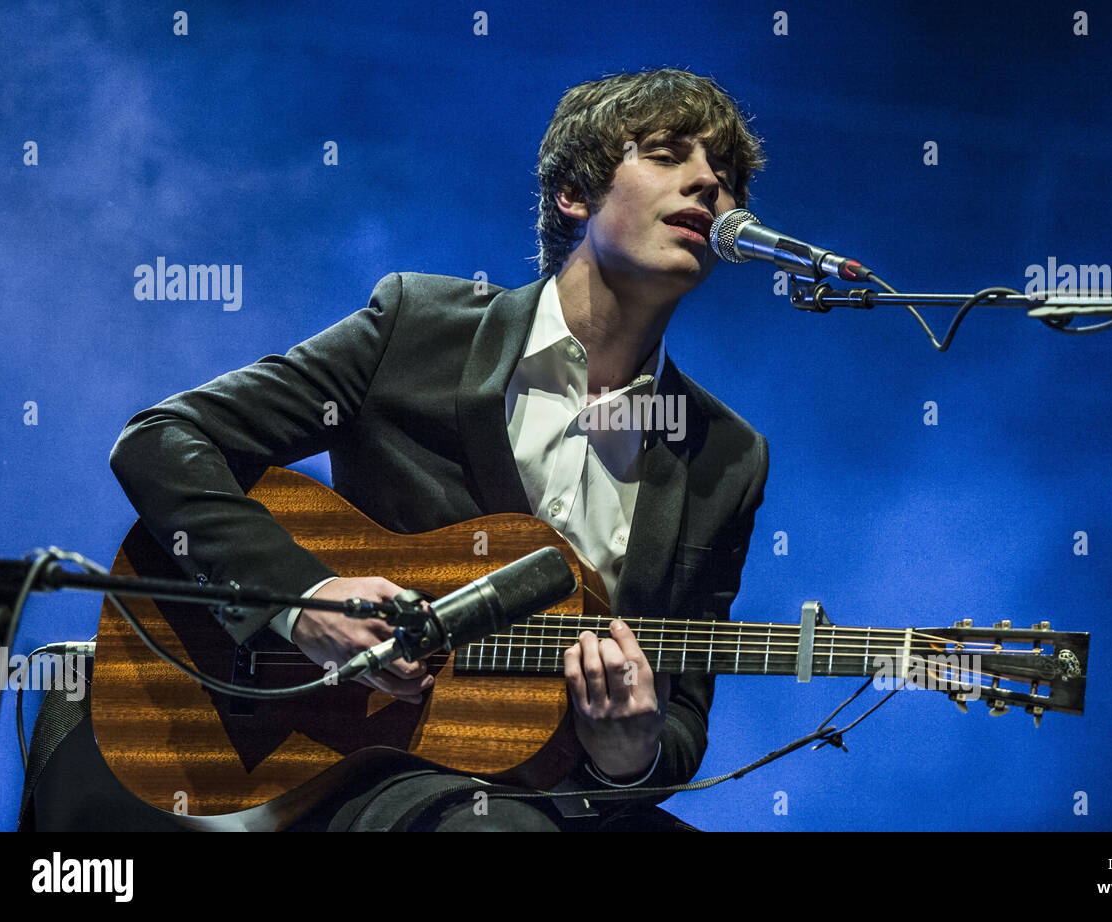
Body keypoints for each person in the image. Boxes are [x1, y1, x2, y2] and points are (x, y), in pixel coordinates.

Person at [44, 67, 769, 831]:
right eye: (666, 154)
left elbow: (681, 716)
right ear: (576, 195)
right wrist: (299, 601)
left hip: (561, 795)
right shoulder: (417, 330)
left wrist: (633, 753)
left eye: (725, 176)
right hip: (361, 768)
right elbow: (163, 440)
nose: (707, 184)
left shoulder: (725, 457)